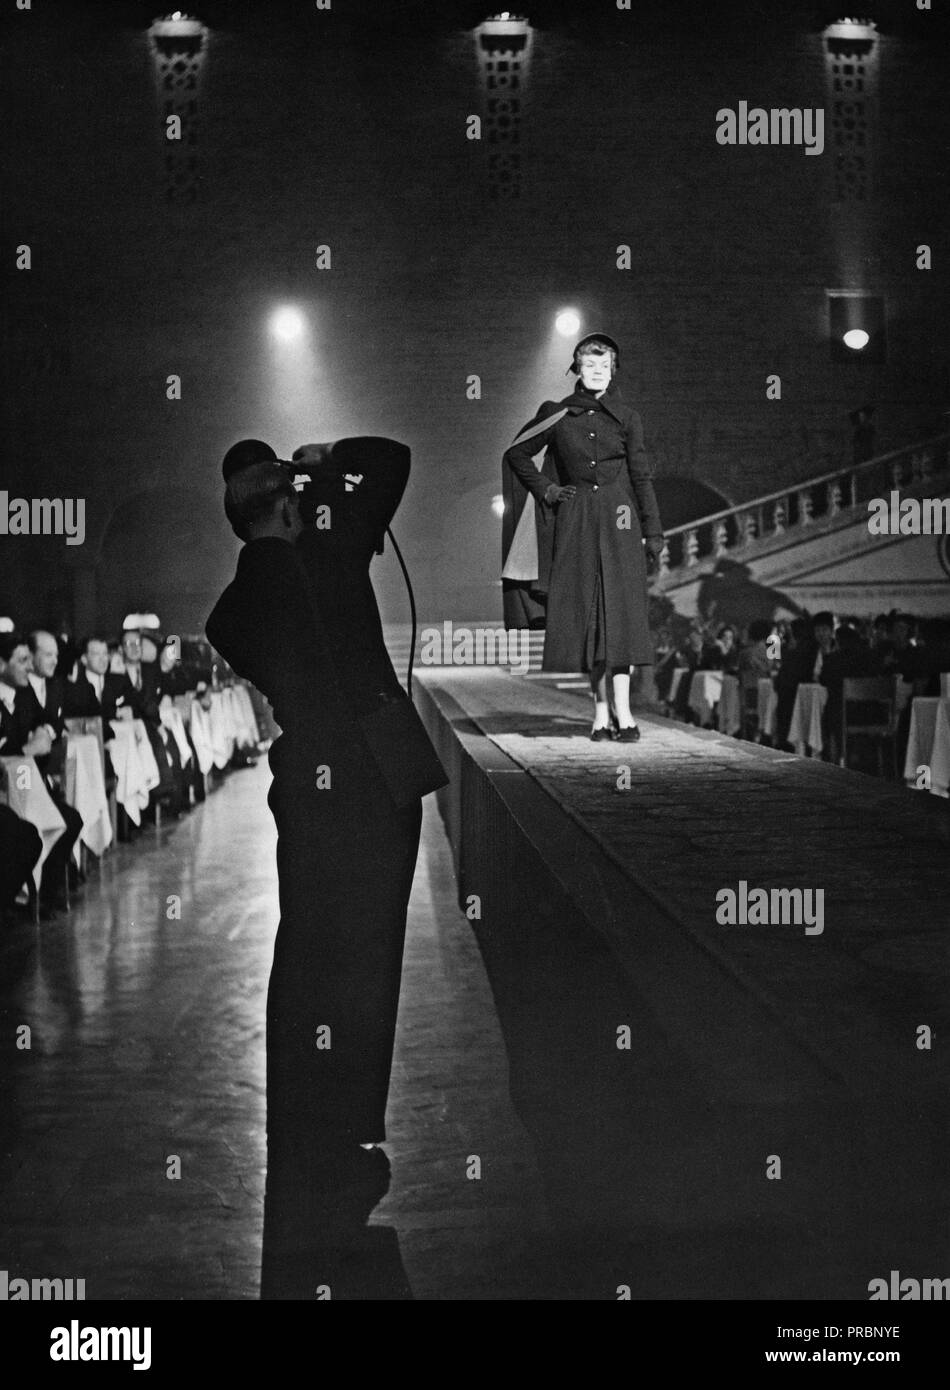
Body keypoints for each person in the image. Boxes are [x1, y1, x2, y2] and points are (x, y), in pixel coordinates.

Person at [206, 446, 445, 1299]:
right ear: (292, 505)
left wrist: (295, 493)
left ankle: (308, 1117)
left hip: (311, 781)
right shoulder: (335, 551)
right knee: (371, 954)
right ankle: (351, 1121)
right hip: (378, 775)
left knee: (309, 948)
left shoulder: (230, 614)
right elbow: (390, 457)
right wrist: (322, 462)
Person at [502, 333, 664, 741]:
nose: (596, 371)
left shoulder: (627, 417)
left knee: (620, 619)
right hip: (574, 522)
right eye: (589, 364)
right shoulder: (557, 415)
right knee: (589, 619)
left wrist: (653, 532)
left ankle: (624, 715)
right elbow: (517, 453)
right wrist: (548, 490)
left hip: (619, 521)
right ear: (577, 368)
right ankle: (599, 714)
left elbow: (641, 476)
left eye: (603, 365)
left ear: (613, 370)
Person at [0, 631, 82, 914]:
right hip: (5, 791)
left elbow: (47, 720)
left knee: (71, 820)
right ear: (1, 665)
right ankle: (16, 900)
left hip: (27, 787)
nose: (29, 666)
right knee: (26, 835)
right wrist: (25, 749)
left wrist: (43, 733)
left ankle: (46, 891)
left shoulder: (24, 694)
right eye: (22, 660)